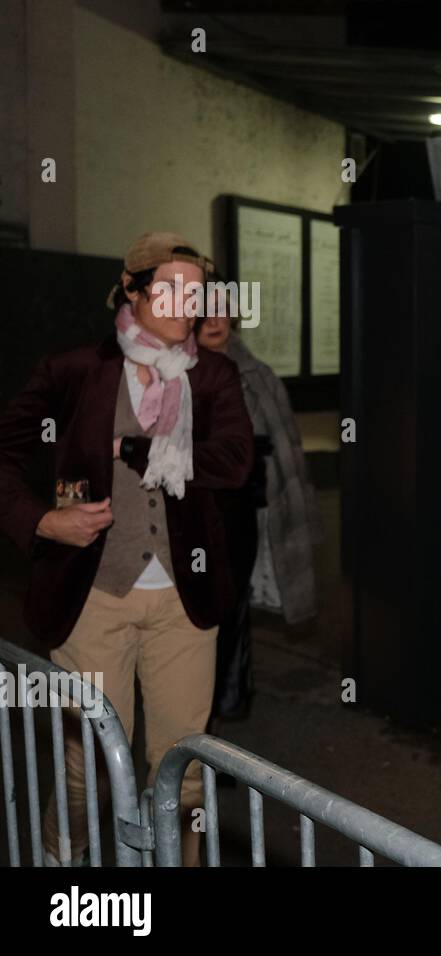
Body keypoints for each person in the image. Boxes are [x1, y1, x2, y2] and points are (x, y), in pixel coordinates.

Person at [0, 232, 254, 866]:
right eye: (169, 289)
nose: (186, 304)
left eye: (195, 293)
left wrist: (138, 449)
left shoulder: (215, 375)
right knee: (89, 768)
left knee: (185, 768)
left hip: (183, 600)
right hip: (93, 598)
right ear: (133, 291)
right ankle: (67, 865)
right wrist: (40, 522)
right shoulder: (75, 371)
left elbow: (233, 462)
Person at [195, 303, 323, 720]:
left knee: (233, 613)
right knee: (194, 619)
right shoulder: (169, 375)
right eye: (202, 313)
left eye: (221, 312)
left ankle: (225, 711)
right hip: (189, 521)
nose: (214, 322)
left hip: (242, 517)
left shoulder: (257, 375)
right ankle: (195, 716)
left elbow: (290, 457)